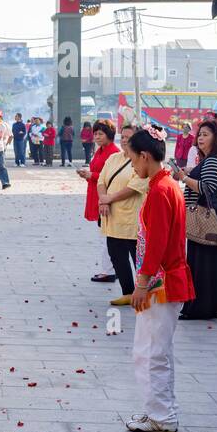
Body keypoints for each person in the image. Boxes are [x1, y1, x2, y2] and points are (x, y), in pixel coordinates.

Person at [124, 129, 194, 432]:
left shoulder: (160, 191)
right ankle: (158, 410)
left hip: (160, 282)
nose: (132, 167)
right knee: (152, 350)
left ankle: (162, 416)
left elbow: (156, 243)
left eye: (132, 160)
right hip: (162, 280)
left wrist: (141, 284)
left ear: (144, 155)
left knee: (153, 351)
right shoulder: (166, 185)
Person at [173, 117, 217, 321]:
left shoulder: (214, 160)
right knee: (204, 262)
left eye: (205, 135)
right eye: (200, 134)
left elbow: (207, 188)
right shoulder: (209, 159)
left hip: (208, 217)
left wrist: (183, 178)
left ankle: (201, 308)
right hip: (207, 217)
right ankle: (206, 306)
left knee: (203, 263)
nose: (200, 138)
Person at [97, 124, 148, 307]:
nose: (125, 140)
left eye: (129, 137)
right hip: (112, 218)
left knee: (138, 258)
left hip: (131, 218)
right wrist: (104, 199)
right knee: (116, 256)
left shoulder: (142, 160)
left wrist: (108, 198)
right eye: (123, 136)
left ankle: (145, 291)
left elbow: (135, 187)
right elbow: (101, 180)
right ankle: (127, 292)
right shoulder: (114, 158)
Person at [77, 119, 119, 284]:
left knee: (106, 236)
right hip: (97, 195)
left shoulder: (113, 153)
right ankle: (109, 269)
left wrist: (91, 175)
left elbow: (110, 177)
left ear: (109, 135)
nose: (97, 137)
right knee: (103, 235)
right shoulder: (100, 151)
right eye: (95, 133)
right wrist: (88, 174)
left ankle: (108, 270)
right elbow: (98, 171)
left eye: (100, 134)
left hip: (107, 198)